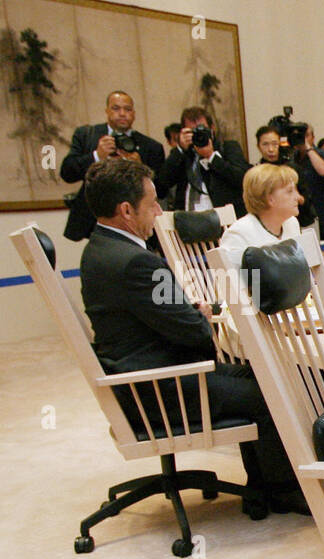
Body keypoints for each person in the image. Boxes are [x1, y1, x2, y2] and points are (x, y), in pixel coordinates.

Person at [80, 158, 302, 513]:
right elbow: (198, 336)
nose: (157, 211)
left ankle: (262, 486)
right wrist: (197, 316)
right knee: (272, 392)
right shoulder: (137, 262)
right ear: (126, 210)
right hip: (162, 387)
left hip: (142, 378)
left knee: (266, 374)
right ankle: (281, 490)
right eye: (152, 203)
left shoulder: (99, 250)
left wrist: (188, 314)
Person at [61, 90, 166, 241]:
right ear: (107, 111)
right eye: (116, 108)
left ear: (134, 113)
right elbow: (67, 173)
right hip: (91, 223)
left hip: (137, 224)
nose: (122, 113)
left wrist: (140, 169)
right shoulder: (87, 135)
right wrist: (97, 155)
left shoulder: (151, 146)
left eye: (127, 109)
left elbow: (161, 190)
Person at [158, 106, 251, 216]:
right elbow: (161, 186)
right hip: (188, 222)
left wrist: (211, 156)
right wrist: (180, 150)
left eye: (202, 129)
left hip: (223, 220)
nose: (198, 135)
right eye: (192, 131)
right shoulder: (182, 155)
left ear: (212, 129)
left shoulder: (228, 148)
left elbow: (243, 179)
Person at [218, 163, 303, 264]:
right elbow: (245, 279)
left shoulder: (291, 224)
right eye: (289, 191)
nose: (298, 197)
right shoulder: (239, 235)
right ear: (269, 199)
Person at [253, 126, 317, 230]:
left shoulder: (292, 169)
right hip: (268, 225)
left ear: (280, 144)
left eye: (274, 144)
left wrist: (294, 196)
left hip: (299, 223)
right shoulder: (256, 172)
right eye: (265, 144)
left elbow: (306, 201)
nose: (270, 149)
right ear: (258, 146)